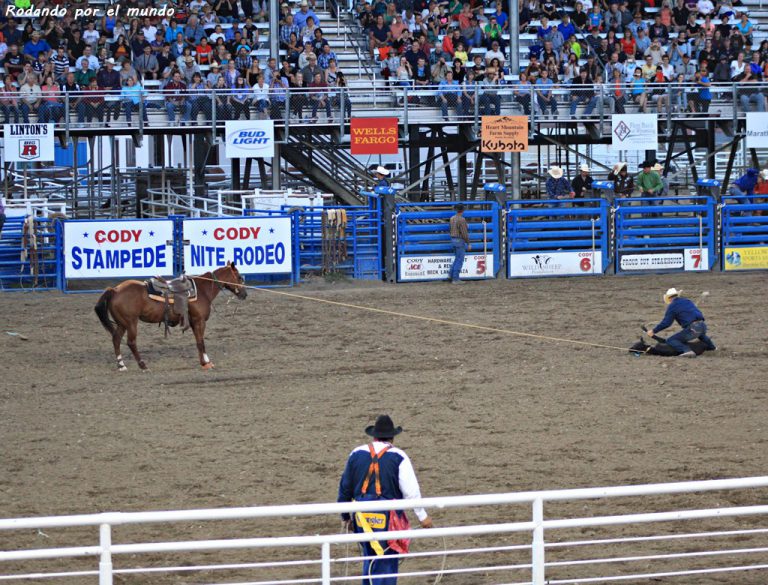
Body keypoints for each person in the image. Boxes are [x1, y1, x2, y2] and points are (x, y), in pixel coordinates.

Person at [338, 415, 433, 585]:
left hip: (361, 516)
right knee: (386, 561)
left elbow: (345, 488)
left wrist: (346, 517)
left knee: (369, 557)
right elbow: (411, 491)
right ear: (392, 437)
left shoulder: (356, 453)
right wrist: (422, 516)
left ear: (374, 436)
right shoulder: (399, 456)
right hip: (387, 517)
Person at [646, 288, 716, 357]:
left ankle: (687, 350)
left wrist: (653, 331)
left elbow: (666, 323)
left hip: (693, 328)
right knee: (701, 335)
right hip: (702, 325)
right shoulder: (687, 301)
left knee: (671, 340)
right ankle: (712, 347)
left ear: (669, 298)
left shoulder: (672, 306)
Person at [448, 204, 470, 283]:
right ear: (463, 210)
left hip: (453, 240)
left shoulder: (452, 218)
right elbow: (464, 233)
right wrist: (468, 243)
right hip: (459, 240)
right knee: (460, 259)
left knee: (457, 258)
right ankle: (455, 278)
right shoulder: (462, 220)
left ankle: (451, 275)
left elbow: (450, 229)